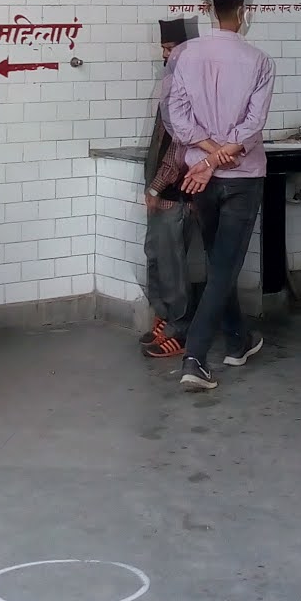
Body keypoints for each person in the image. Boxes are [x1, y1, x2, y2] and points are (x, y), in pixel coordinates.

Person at [161, 0, 274, 392]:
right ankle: (194, 358)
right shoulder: (259, 61)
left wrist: (206, 156)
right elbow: (252, 127)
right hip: (241, 178)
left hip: (199, 180)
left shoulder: (185, 56)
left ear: (208, 8)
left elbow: (176, 118)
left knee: (218, 265)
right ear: (244, 12)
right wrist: (220, 155)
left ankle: (240, 341)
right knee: (223, 269)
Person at [140, 18, 202, 359]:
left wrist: (157, 188)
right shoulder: (173, 80)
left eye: (170, 48)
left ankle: (180, 328)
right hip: (162, 190)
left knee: (172, 262)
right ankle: (163, 316)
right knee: (157, 256)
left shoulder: (188, 86)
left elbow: (179, 148)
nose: (165, 54)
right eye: (163, 49)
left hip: (175, 192)